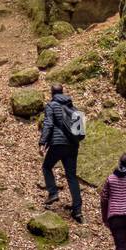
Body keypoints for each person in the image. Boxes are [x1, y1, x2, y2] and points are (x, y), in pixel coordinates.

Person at [39, 83, 83, 222]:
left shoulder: (51, 105)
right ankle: (77, 211)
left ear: (52, 93)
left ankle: (53, 193)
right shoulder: (72, 107)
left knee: (46, 167)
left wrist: (42, 143)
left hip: (58, 144)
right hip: (72, 146)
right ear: (63, 92)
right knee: (71, 176)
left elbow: (48, 124)